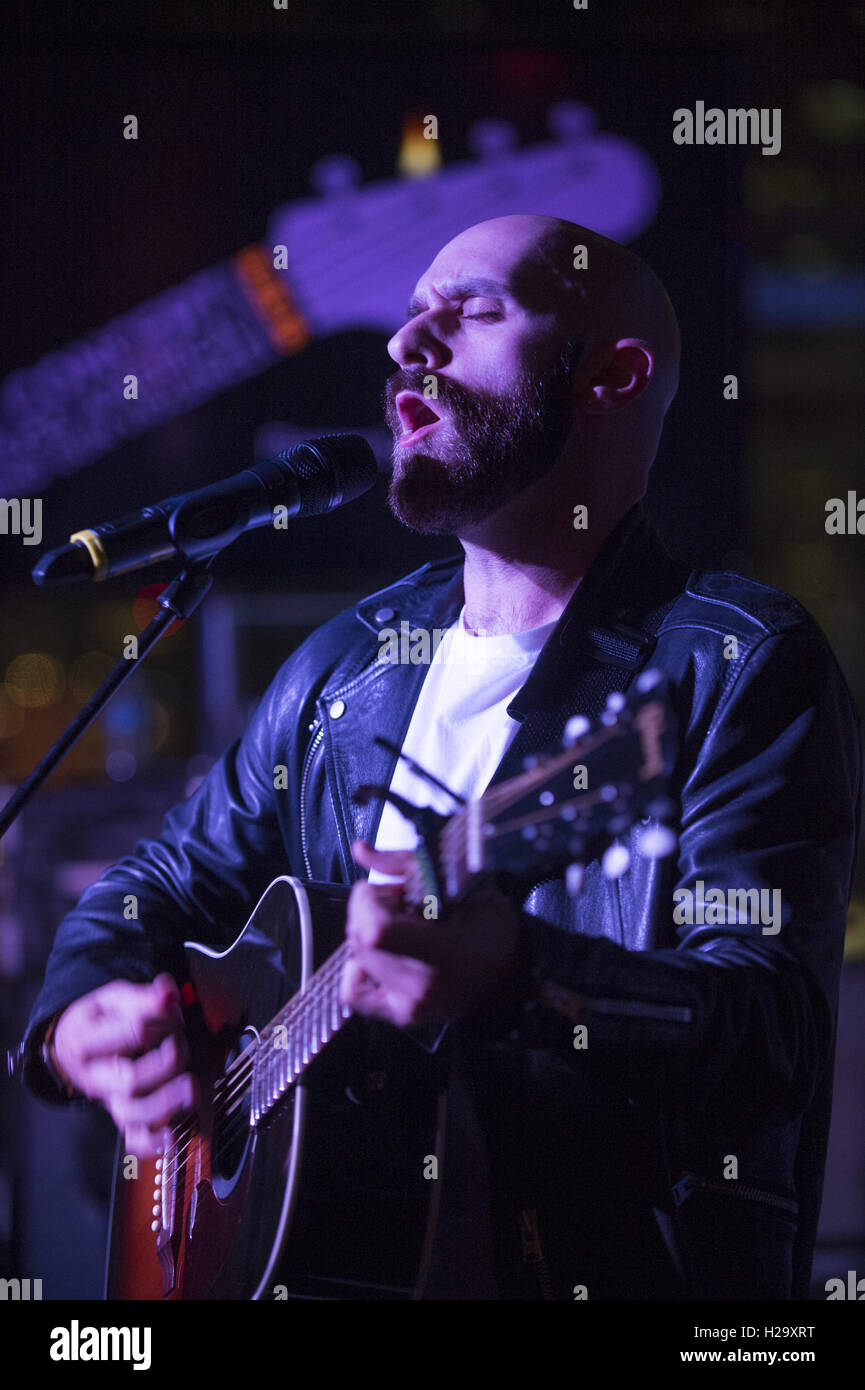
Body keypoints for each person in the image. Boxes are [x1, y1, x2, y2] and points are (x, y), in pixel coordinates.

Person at [20, 215, 861, 1299]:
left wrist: (529, 978)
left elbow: (768, 1037)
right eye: (413, 308)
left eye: (473, 310)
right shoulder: (345, 673)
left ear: (611, 373)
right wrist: (83, 1020)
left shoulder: (734, 664)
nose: (406, 342)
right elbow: (153, 887)